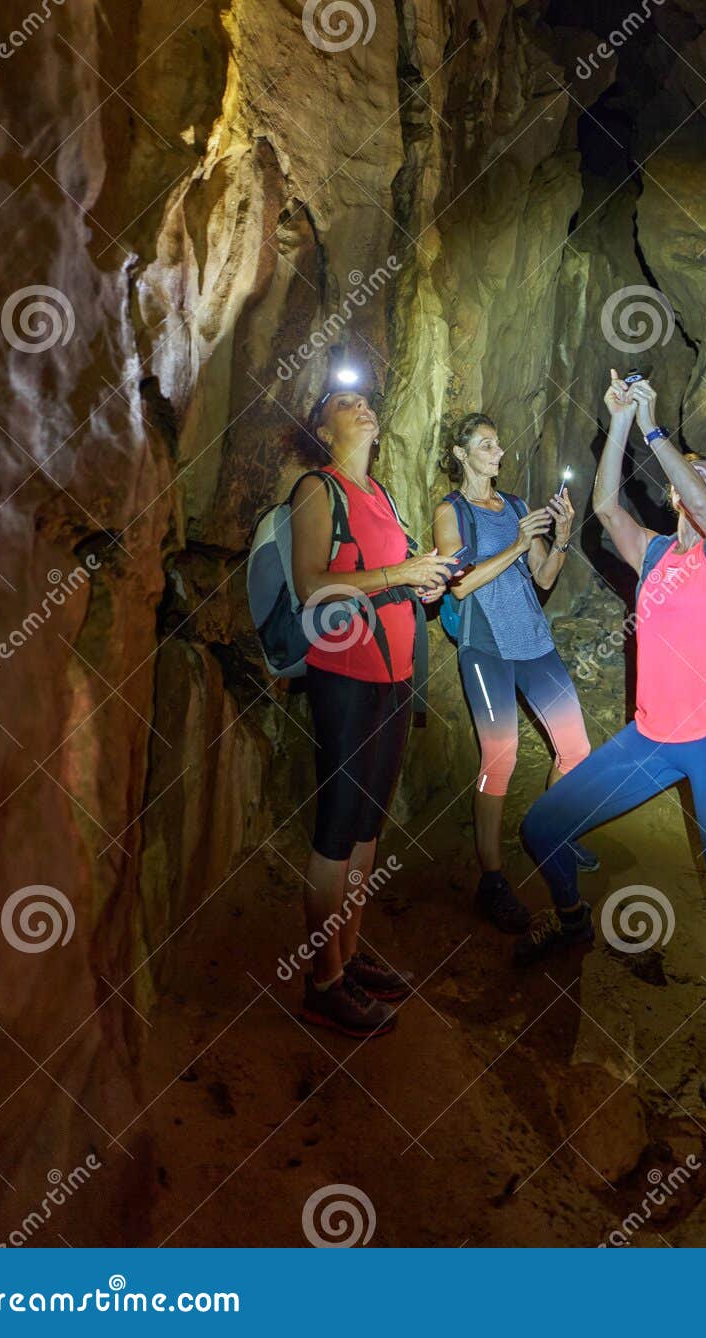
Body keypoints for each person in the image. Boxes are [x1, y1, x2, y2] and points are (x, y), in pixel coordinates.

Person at [517, 371, 706, 1110]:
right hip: (653, 740)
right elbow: (605, 505)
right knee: (542, 826)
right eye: (683, 484)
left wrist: (658, 428)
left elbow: (699, 500)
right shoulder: (657, 557)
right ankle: (572, 920)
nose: (692, 490)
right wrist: (620, 424)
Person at [290, 384, 457, 1037]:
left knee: (367, 832)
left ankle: (348, 955)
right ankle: (321, 983)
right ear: (322, 429)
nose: (360, 405)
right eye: (341, 400)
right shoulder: (317, 489)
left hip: (393, 677)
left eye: (364, 400)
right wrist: (400, 575)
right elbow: (311, 585)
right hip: (345, 678)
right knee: (335, 834)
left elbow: (397, 571)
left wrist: (426, 575)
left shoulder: (381, 496)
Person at [433, 413, 596, 934]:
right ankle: (492, 880)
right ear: (461, 454)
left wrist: (562, 538)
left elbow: (544, 576)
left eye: (499, 444)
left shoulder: (519, 508)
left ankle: (553, 831)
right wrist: (517, 546)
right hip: (486, 648)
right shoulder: (451, 512)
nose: (498, 452)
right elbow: (459, 585)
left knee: (575, 747)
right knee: (499, 758)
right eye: (486, 445)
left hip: (534, 642)